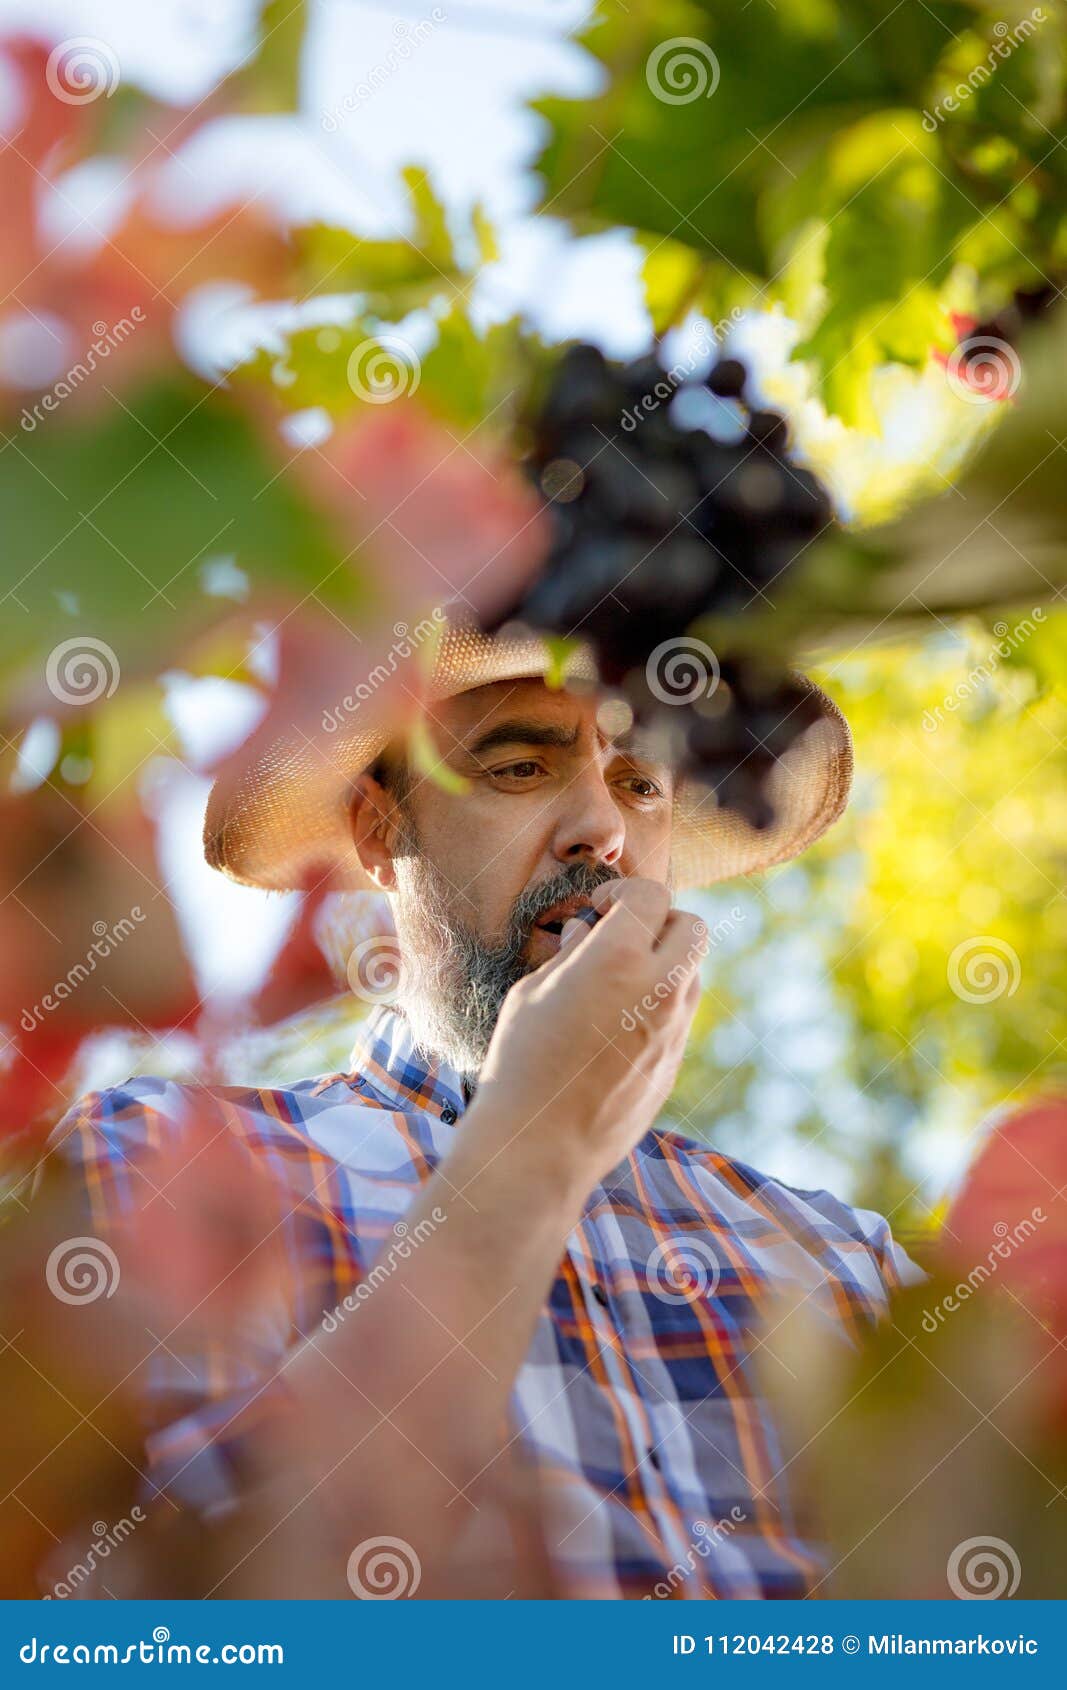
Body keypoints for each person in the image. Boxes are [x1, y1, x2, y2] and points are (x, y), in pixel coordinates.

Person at [51, 612, 919, 1599]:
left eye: (640, 784)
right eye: (519, 768)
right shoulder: (169, 1165)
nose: (601, 829)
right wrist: (531, 1147)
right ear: (379, 832)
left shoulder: (842, 1262)